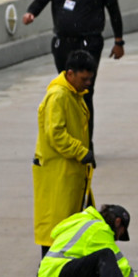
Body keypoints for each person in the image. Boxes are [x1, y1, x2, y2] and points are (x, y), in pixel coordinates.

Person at [35, 50, 97, 259]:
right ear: (70, 74)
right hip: (57, 170)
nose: (87, 83)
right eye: (83, 79)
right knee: (55, 223)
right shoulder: (59, 96)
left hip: (70, 168)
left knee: (69, 221)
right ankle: (47, 268)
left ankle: (63, 265)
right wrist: (81, 152)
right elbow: (56, 133)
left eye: (90, 78)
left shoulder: (74, 94)